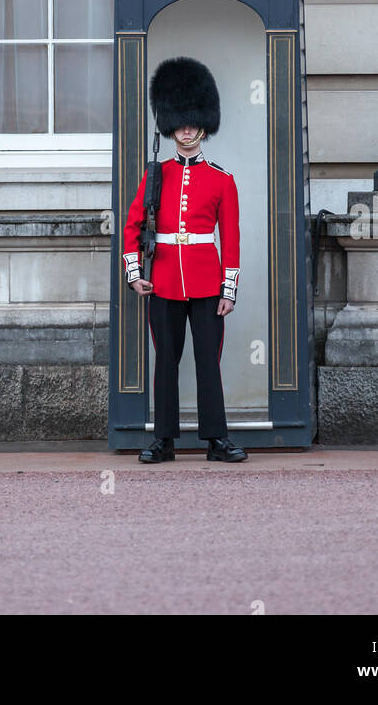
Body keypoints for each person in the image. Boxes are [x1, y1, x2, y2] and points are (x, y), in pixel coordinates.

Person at [122, 56, 247, 464]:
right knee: (166, 364)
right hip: (163, 282)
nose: (187, 130)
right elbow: (132, 225)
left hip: (207, 283)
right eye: (180, 123)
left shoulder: (222, 180)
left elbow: (231, 239)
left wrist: (228, 289)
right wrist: (135, 273)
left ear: (203, 126)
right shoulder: (156, 175)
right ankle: (164, 440)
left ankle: (216, 439)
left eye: (193, 123)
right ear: (170, 126)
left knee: (208, 362)